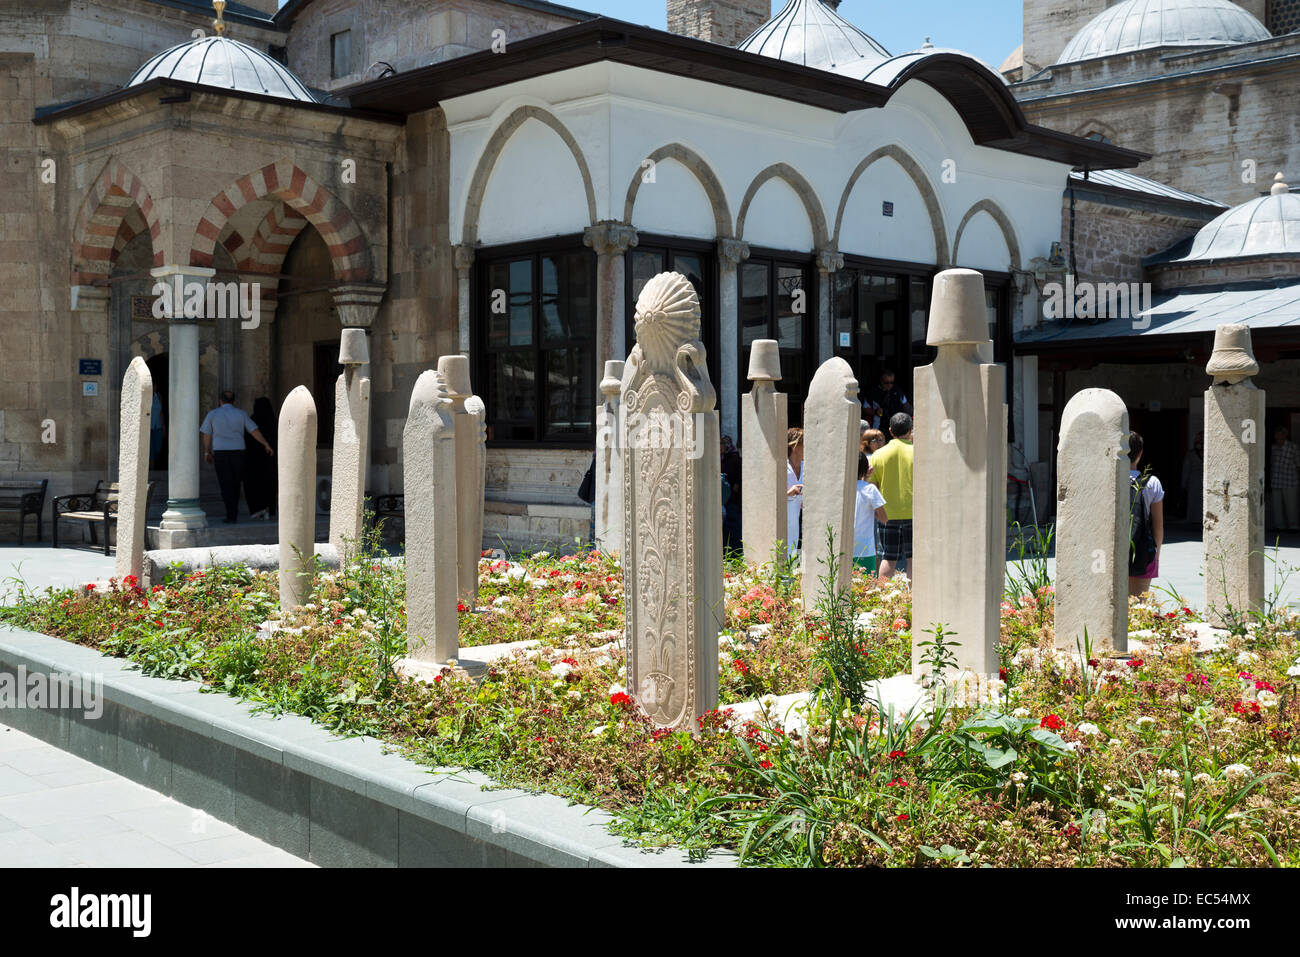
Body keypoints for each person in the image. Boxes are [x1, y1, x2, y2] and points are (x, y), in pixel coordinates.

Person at [200, 390, 274, 524]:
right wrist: (266, 444)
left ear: (220, 401)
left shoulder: (212, 414)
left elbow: (206, 435)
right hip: (239, 453)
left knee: (225, 484)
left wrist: (207, 452)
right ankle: (233, 512)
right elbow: (254, 431)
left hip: (221, 453)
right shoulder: (241, 414)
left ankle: (231, 514)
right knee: (235, 483)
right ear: (234, 402)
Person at [869, 412, 914, 581]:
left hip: (887, 513)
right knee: (913, 559)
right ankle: (913, 598)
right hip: (914, 511)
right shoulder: (918, 452)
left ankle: (882, 599)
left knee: (888, 557)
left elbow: (872, 485)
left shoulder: (879, 454)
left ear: (890, 431)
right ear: (910, 430)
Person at [1128, 431, 1165, 597]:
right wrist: (1155, 557)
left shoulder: (1107, 481)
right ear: (1140, 453)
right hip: (1143, 554)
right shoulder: (1152, 483)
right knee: (1138, 610)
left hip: (1109, 555)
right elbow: (1158, 526)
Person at [853, 451, 888, 576]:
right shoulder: (870, 489)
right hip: (865, 548)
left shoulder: (841, 488)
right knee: (866, 588)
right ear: (865, 468)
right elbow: (883, 518)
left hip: (843, 547)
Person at [243, 396, 278, 520]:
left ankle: (258, 509)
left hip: (253, 460)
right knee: (270, 483)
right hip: (271, 459)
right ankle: (270, 509)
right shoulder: (274, 421)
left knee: (254, 484)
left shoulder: (252, 420)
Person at [1269, 425, 1299, 531]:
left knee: (1291, 505)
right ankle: (1279, 526)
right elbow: (1272, 463)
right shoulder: (1274, 447)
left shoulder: (1293, 447)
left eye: (1279, 434)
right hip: (1276, 480)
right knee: (1277, 506)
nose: (1277, 436)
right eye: (1276, 434)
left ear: (1285, 435)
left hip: (1290, 480)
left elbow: (1298, 464)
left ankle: (1293, 526)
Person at [721, 435, 743, 553]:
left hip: (732, 498)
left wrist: (736, 483)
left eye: (722, 444)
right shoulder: (720, 458)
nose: (721, 446)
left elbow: (739, 474)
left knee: (733, 525)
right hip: (723, 498)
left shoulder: (734, 458)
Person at [786, 427, 804, 559]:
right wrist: (788, 493)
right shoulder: (782, 465)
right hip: (781, 520)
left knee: (792, 556)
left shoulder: (806, 466)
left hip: (795, 521)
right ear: (794, 446)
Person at [1181, 431, 1203, 524]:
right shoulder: (1191, 454)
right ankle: (1194, 520)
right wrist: (1183, 484)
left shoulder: (1209, 453)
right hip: (1194, 481)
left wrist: (1183, 484)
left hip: (1196, 480)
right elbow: (1186, 470)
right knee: (1194, 501)